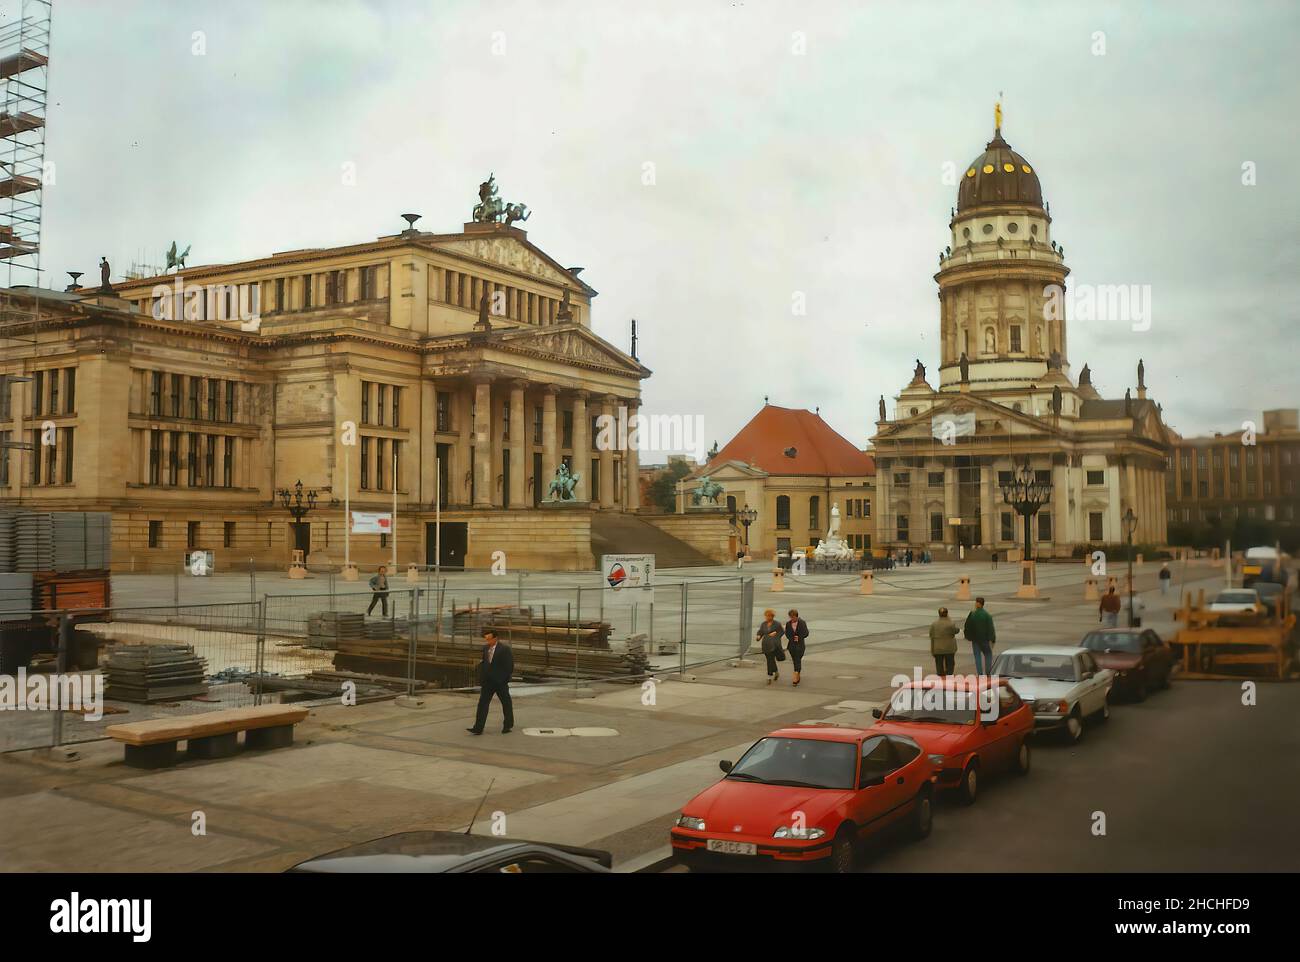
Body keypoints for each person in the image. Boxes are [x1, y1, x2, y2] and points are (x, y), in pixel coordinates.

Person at [467, 628, 514, 735]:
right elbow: (485, 662)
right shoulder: (485, 648)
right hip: (487, 682)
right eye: (486, 639)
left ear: (496, 638)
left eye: (489, 639)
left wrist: (503, 680)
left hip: (500, 682)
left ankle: (507, 725)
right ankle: (478, 728)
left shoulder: (504, 649)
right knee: (482, 704)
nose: (487, 641)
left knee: (506, 703)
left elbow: (509, 666)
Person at [962, 597, 996, 675]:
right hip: (985, 640)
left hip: (975, 640)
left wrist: (967, 636)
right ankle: (988, 672)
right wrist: (992, 639)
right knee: (988, 655)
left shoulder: (972, 614)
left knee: (977, 656)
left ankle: (980, 673)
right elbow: (991, 628)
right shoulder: (987, 615)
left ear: (977, 604)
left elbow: (967, 626)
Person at [756, 609, 784, 685]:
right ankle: (776, 671)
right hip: (766, 644)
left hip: (774, 644)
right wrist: (759, 636)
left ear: (772, 616)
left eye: (769, 616)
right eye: (766, 616)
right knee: (770, 659)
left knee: (770, 660)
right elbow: (761, 631)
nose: (767, 617)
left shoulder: (777, 624)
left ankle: (769, 675)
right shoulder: (763, 624)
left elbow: (782, 632)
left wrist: (776, 633)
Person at [929, 606, 958, 676]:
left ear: (939, 614)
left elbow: (931, 635)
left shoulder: (934, 624)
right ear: (947, 614)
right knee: (950, 664)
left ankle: (941, 678)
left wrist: (932, 650)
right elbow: (956, 630)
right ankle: (949, 677)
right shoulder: (950, 623)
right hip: (949, 648)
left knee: (939, 665)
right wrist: (949, 619)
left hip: (938, 648)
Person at [784, 609, 809, 686]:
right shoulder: (788, 624)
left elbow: (806, 633)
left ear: (796, 616)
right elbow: (787, 633)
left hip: (800, 645)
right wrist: (792, 638)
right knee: (795, 660)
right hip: (791, 645)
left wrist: (799, 637)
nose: (792, 619)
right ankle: (797, 673)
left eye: (793, 617)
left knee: (798, 659)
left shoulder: (802, 623)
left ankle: (795, 675)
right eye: (790, 617)